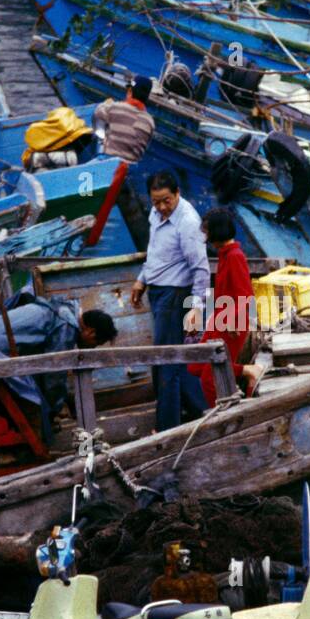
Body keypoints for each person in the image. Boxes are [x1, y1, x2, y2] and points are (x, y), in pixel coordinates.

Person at [129, 170, 210, 431]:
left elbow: (201, 269)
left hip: (176, 296)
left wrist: (196, 307)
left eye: (167, 201)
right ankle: (201, 412)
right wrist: (142, 279)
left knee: (165, 361)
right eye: (156, 202)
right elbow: (155, 252)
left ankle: (167, 429)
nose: (162, 207)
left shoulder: (187, 222)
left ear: (177, 193)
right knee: (180, 358)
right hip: (158, 291)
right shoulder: (156, 214)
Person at [0, 295, 117, 420]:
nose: (92, 348)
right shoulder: (66, 327)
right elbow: (54, 373)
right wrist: (56, 408)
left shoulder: (61, 309)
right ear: (90, 332)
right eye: (96, 343)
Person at [186, 206, 259, 407]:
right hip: (219, 319)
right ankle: (244, 372)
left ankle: (223, 414)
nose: (206, 237)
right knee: (194, 364)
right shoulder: (224, 255)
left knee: (208, 379)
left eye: (208, 232)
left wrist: (233, 321)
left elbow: (246, 296)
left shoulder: (235, 256)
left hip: (232, 323)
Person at [94, 75, 156, 163]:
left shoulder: (115, 107)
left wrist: (106, 104)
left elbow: (97, 112)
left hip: (108, 162)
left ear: (130, 91)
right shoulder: (150, 122)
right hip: (129, 167)